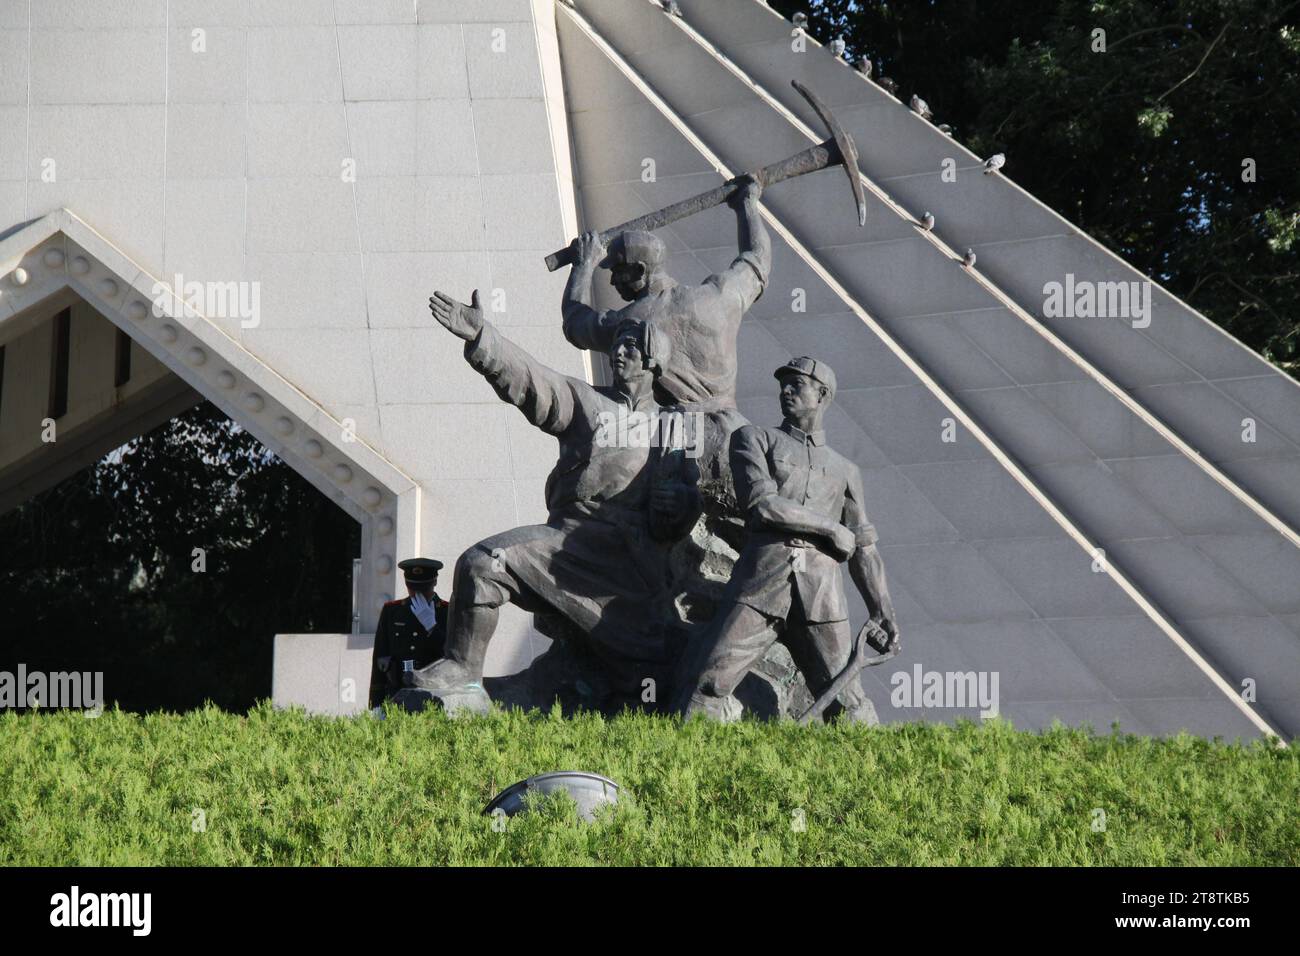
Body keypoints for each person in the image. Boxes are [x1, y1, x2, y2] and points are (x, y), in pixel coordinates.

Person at [407, 289, 699, 704]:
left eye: (630, 347)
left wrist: (679, 504)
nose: (618, 353)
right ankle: (463, 670)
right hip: (569, 542)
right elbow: (534, 381)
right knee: (482, 564)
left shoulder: (675, 425)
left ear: (653, 361)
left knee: (642, 683)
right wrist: (482, 338)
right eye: (616, 344)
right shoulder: (589, 402)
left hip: (633, 563)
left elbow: (688, 499)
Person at [679, 357, 901, 722]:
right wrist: (830, 529)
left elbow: (864, 547)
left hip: (822, 597)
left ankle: (868, 774)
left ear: (822, 395)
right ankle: (690, 773)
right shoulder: (753, 439)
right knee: (710, 683)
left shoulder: (846, 471)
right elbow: (763, 506)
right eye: (784, 384)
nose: (786, 391)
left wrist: (883, 610)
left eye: (797, 385)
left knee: (848, 701)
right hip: (762, 587)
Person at [560, 174, 771, 487]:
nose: (613, 282)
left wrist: (584, 266)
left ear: (641, 271)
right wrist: (747, 206)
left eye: (617, 271)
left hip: (678, 440)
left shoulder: (630, 321)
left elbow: (575, 323)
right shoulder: (718, 297)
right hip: (732, 435)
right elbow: (758, 260)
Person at [369, 557, 448, 708]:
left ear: (435, 582)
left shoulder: (448, 612)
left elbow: (452, 655)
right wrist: (376, 705)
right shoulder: (392, 611)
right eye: (413, 588)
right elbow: (380, 660)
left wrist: (432, 627)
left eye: (423, 589)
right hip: (397, 697)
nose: (417, 594)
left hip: (434, 697)